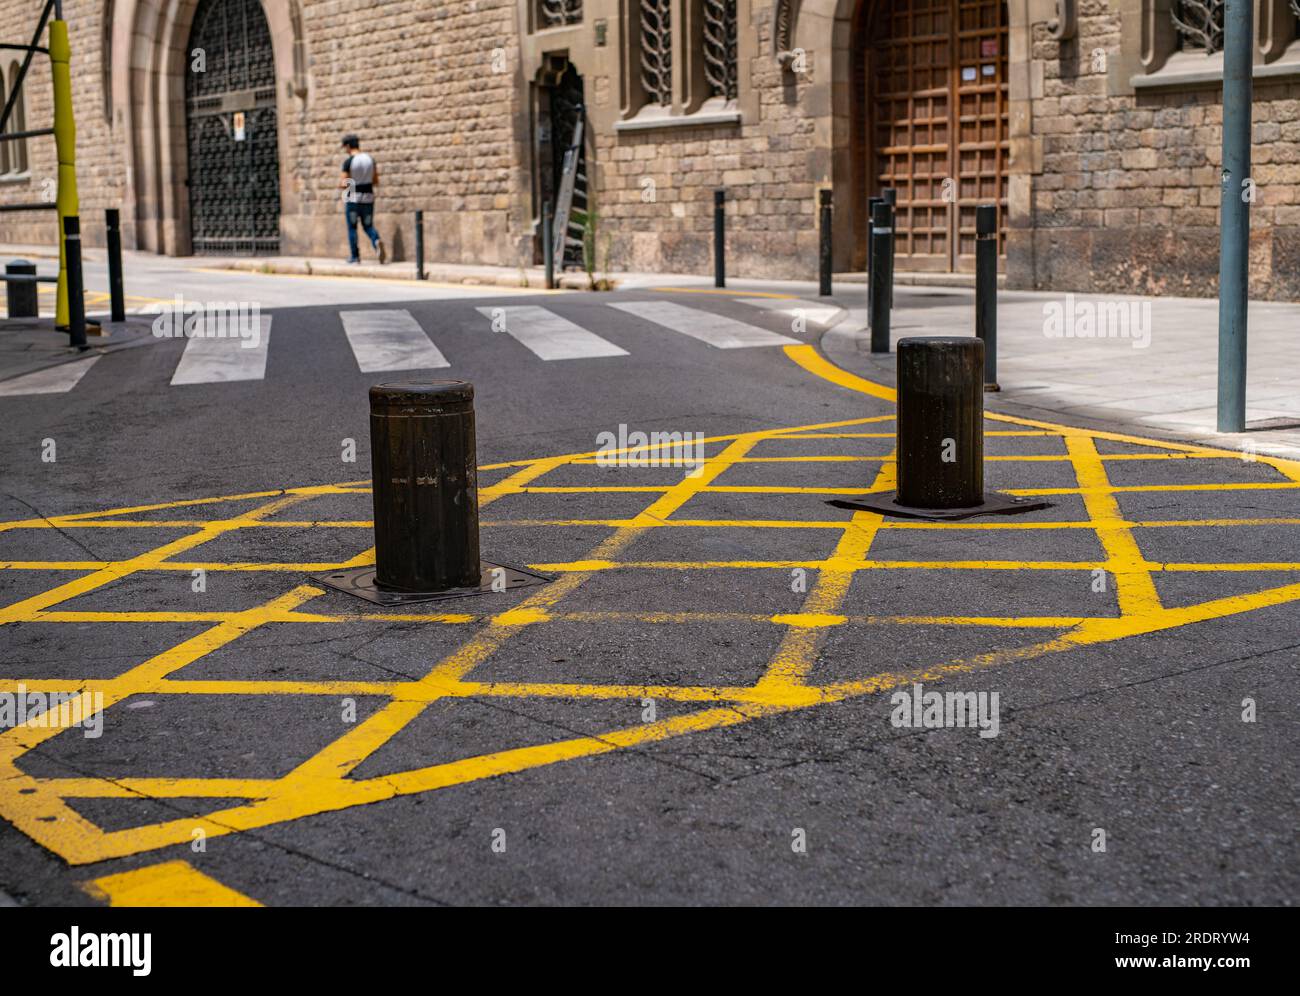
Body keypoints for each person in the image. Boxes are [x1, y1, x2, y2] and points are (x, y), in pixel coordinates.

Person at [340, 134, 386, 264]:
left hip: (353, 198)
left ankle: (355, 256)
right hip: (368, 197)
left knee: (352, 227)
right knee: (368, 225)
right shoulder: (370, 159)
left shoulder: (348, 162)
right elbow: (375, 180)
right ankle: (375, 240)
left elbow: (345, 183)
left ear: (348, 146)